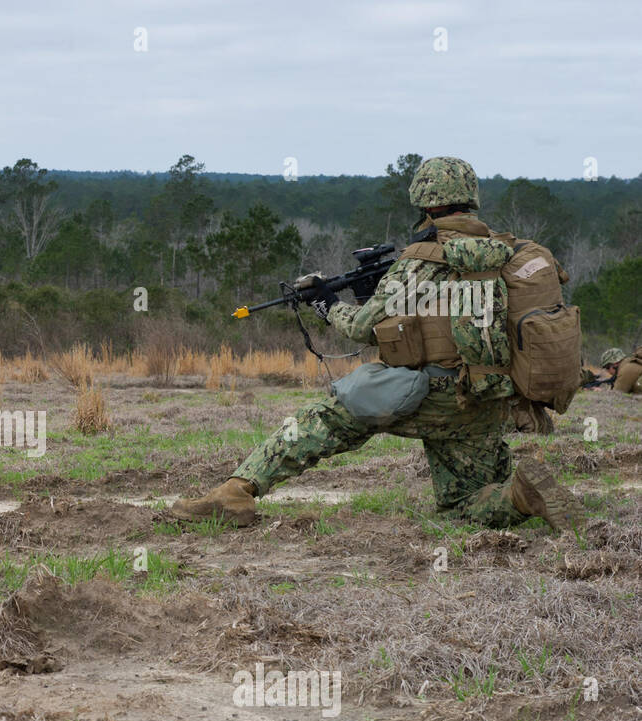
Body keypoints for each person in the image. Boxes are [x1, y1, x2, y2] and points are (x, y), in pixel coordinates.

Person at [170, 156, 584, 532]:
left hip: (434, 397)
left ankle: (235, 493)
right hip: (489, 403)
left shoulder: (420, 261)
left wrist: (326, 303)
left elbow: (364, 329)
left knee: (325, 418)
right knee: (462, 502)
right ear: (470, 200)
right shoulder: (508, 254)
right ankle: (519, 495)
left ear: (424, 203)